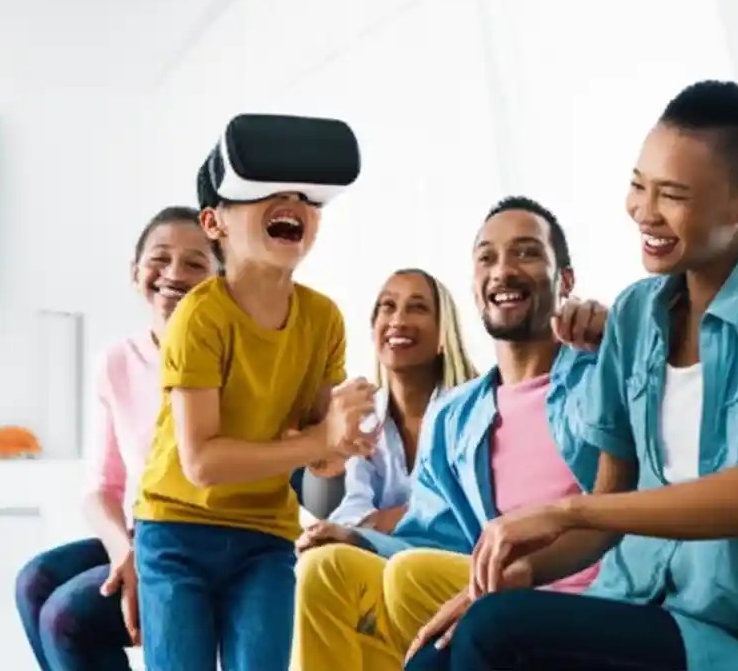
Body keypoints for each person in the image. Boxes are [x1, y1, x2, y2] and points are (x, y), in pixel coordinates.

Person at [407, 80, 738, 671]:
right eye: (638, 185)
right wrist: (523, 572)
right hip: (639, 602)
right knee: (440, 651)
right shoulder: (637, 315)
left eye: (673, 195)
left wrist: (565, 511)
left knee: (497, 634)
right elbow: (612, 496)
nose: (644, 211)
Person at [291, 197, 609, 671]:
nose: (502, 270)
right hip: (483, 586)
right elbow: (435, 535)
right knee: (324, 567)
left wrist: (614, 334)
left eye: (525, 252)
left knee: (409, 575)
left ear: (565, 279)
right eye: (487, 257)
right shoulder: (457, 417)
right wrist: (358, 539)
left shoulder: (602, 376)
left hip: (586, 597)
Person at [133, 114, 378, 671]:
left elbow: (316, 473)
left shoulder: (324, 319)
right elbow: (201, 462)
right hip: (176, 533)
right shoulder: (199, 318)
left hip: (264, 537)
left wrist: (338, 449)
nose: (291, 199)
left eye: (305, 195)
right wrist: (319, 438)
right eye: (266, 190)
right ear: (214, 223)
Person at [13, 206, 219, 670]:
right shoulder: (116, 361)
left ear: (219, 281)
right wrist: (123, 552)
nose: (173, 274)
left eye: (195, 263)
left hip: (203, 544)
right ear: (135, 273)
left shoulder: (228, 359)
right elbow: (101, 488)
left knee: (67, 618)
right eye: (159, 259)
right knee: (34, 582)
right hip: (140, 536)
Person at [314, 268, 477, 534]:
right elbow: (353, 511)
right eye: (388, 306)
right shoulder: (367, 418)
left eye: (417, 308)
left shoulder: (471, 410)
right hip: (383, 559)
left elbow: (457, 512)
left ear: (443, 334)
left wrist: (375, 524)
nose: (398, 320)